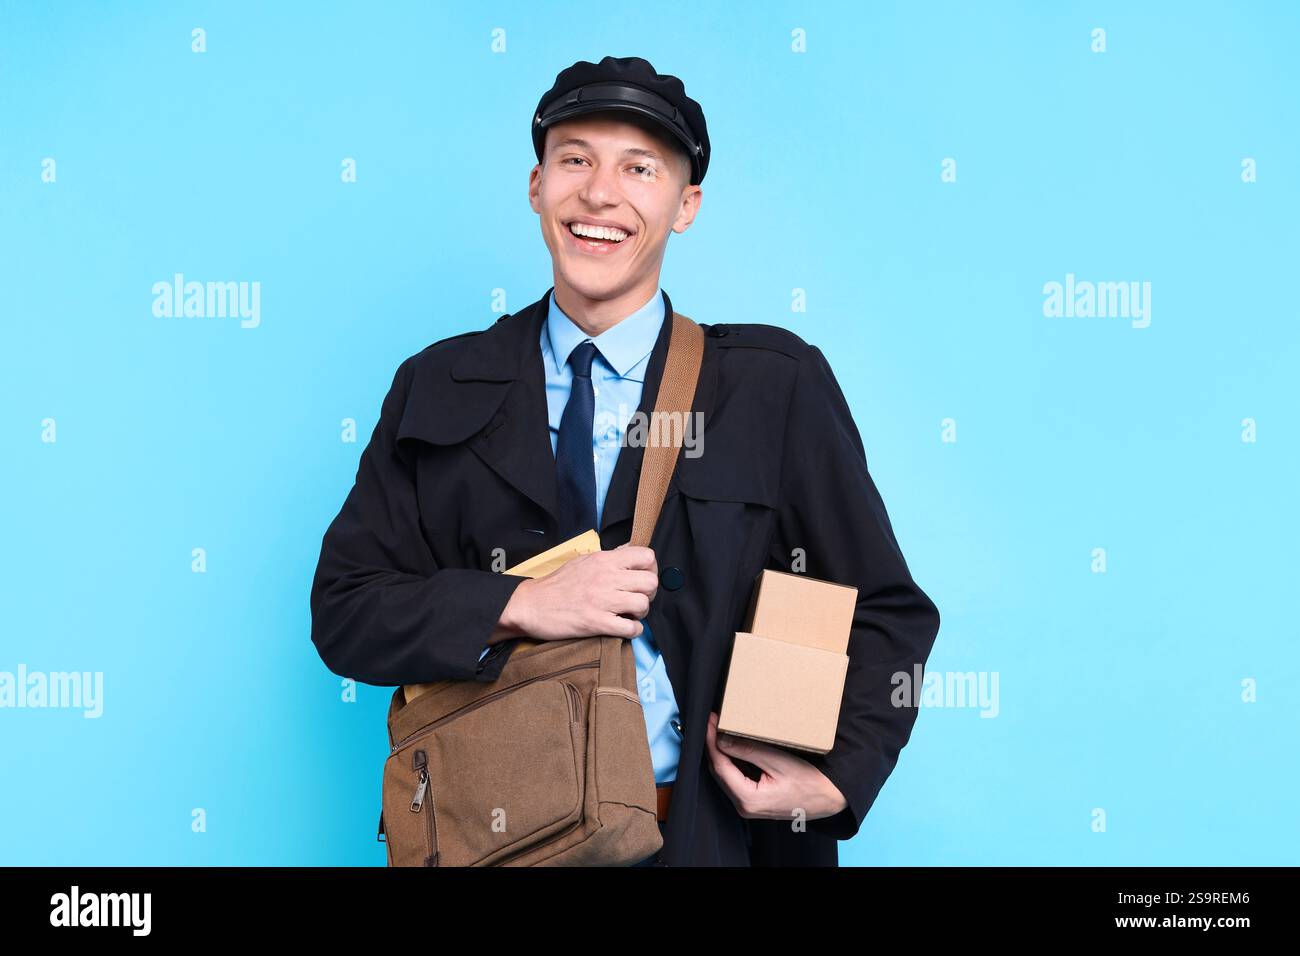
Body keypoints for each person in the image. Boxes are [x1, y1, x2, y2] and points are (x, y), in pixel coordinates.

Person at [309, 55, 941, 867]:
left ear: (686, 205)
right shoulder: (437, 384)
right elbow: (347, 612)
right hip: (501, 847)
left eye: (639, 169)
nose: (600, 193)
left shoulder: (773, 386)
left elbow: (888, 611)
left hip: (718, 845)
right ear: (536, 185)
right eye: (575, 159)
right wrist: (519, 604)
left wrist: (841, 779)